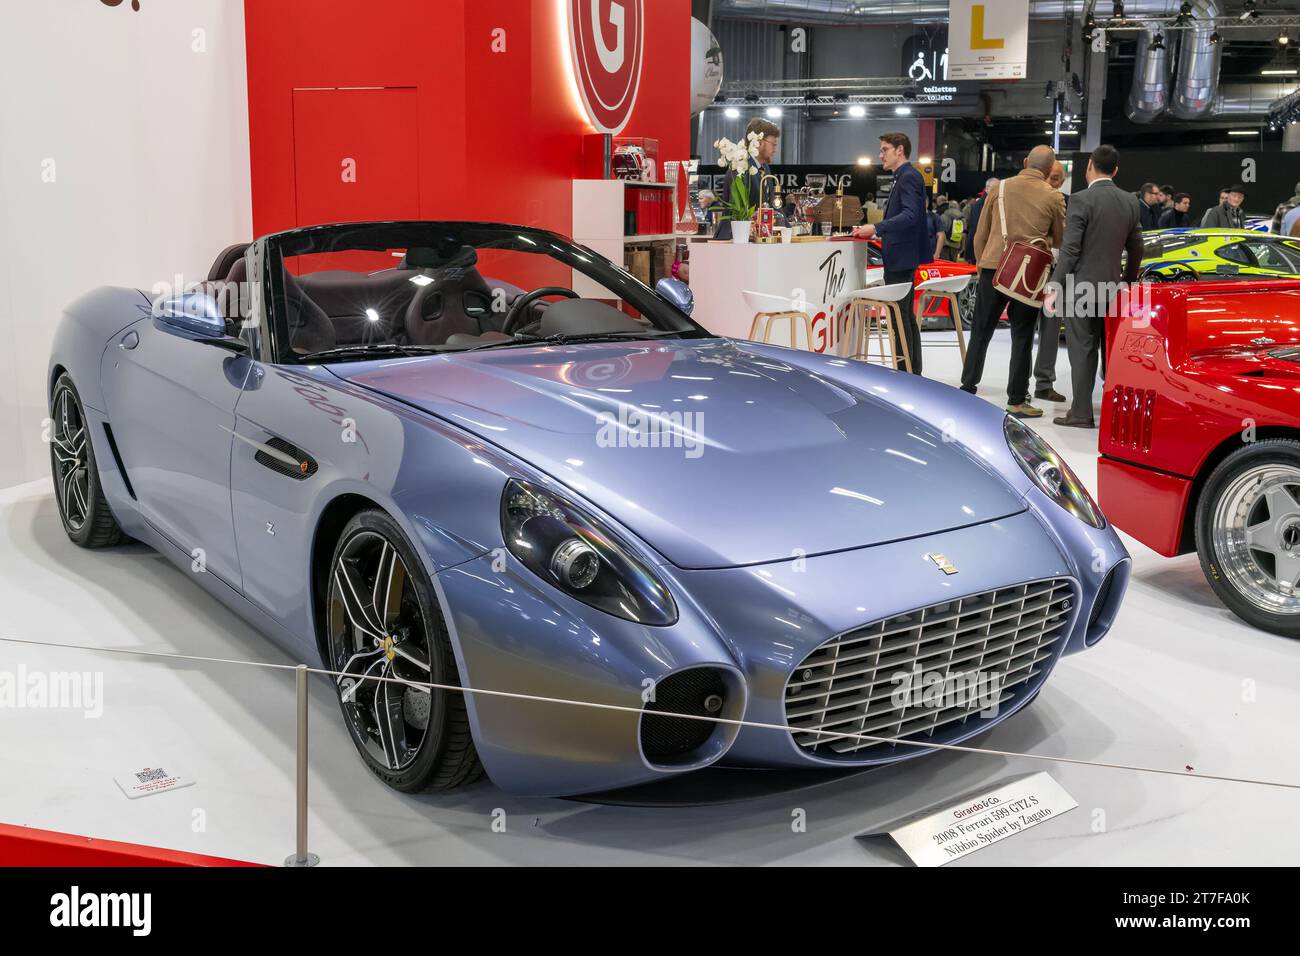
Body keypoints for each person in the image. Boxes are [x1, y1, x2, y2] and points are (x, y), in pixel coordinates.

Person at [959, 145, 1066, 419]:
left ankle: (966, 388)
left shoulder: (1000, 188)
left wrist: (983, 264)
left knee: (981, 332)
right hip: (1028, 274)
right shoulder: (1054, 196)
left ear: (1026, 161)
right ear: (1048, 169)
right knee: (1022, 336)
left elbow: (980, 233)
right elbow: (1060, 239)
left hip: (993, 268)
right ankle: (1017, 400)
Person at [1045, 144, 1144, 429]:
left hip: (1081, 289)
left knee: (1082, 350)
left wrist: (1055, 283)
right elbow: (1136, 248)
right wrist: (1127, 280)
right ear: (1115, 170)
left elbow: (1071, 249)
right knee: (1111, 351)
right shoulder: (1130, 201)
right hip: (1113, 289)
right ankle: (1116, 412)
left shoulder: (1080, 200)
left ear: (1090, 165)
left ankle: (1081, 413)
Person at [850, 132, 929, 374]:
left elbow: (910, 215)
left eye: (885, 149)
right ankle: (912, 374)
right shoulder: (904, 177)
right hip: (902, 254)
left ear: (900, 150)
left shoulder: (908, 177)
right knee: (903, 316)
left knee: (898, 318)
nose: (880, 154)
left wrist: (877, 227)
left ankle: (906, 377)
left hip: (902, 256)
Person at [1032, 160, 1069, 404]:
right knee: (1023, 330)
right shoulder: (1030, 198)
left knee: (1050, 330)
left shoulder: (1071, 202)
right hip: (1029, 271)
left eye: (1055, 178)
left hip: (1056, 273)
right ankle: (1018, 384)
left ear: (1062, 180)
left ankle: (1044, 384)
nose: (1049, 181)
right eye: (1047, 176)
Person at [715, 118, 784, 241]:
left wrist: (788, 230)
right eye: (773, 144)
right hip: (734, 239)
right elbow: (736, 211)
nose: (775, 149)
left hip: (757, 238)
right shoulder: (740, 165)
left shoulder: (765, 168)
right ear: (760, 142)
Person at [963, 177, 998, 264]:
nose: (998, 190)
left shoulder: (987, 203)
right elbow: (976, 228)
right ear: (987, 189)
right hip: (980, 251)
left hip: (982, 250)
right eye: (995, 187)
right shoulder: (982, 204)